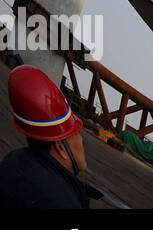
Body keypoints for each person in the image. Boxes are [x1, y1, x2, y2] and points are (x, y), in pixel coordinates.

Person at [0, 65, 91, 208]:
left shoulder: (13, 160)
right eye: (77, 133)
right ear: (60, 147)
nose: (81, 139)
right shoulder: (62, 202)